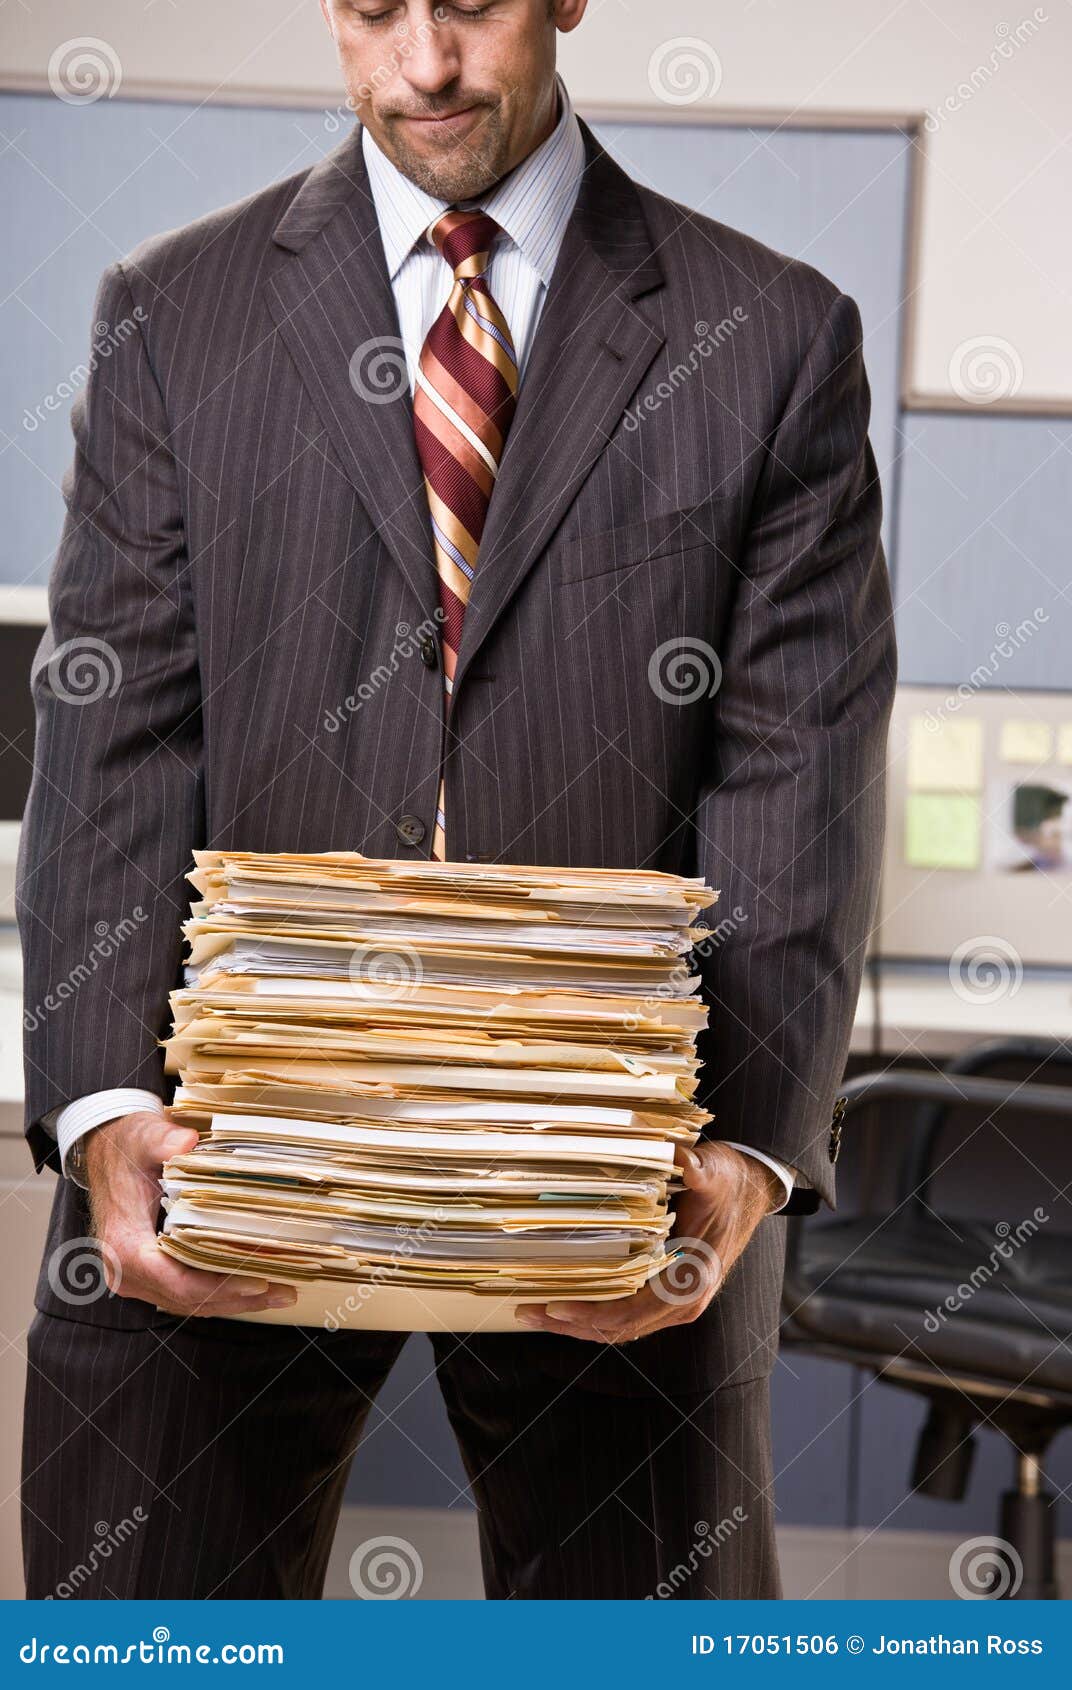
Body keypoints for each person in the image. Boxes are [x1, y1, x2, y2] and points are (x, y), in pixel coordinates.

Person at [17, 0, 895, 1599]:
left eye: (474, 3)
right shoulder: (172, 315)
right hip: (234, 1130)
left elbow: (797, 769)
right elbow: (115, 731)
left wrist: (749, 1151)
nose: (425, 63)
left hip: (620, 1163)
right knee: (143, 1626)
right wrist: (95, 1100)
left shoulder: (770, 334)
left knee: (635, 1633)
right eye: (373, 9)